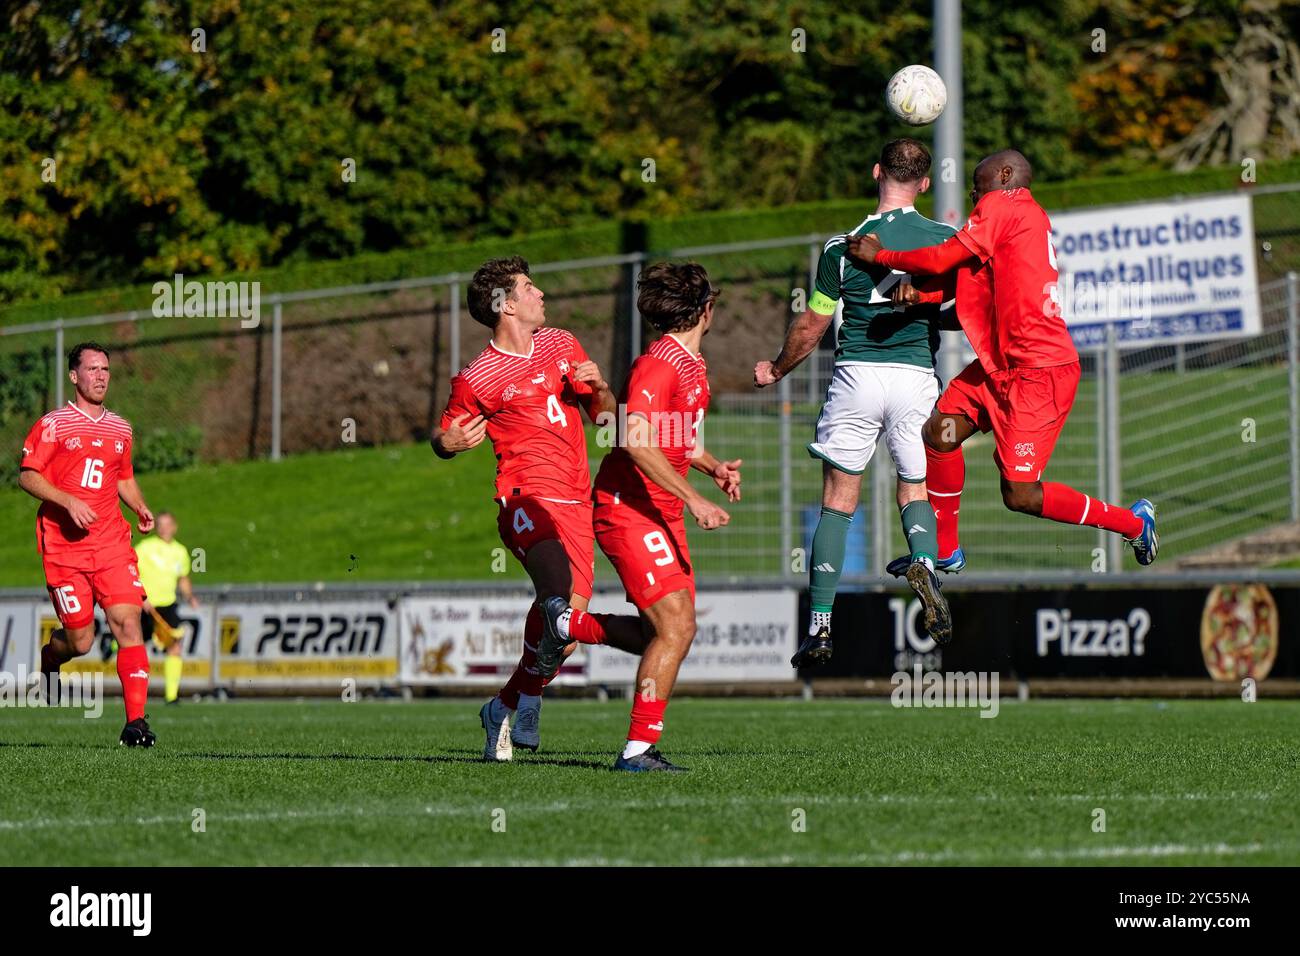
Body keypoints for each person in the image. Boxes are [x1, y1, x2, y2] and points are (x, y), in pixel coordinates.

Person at [846, 149, 1158, 571]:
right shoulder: (1019, 220)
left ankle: (1133, 523)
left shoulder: (1005, 204)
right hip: (1002, 367)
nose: (975, 195)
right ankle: (945, 550)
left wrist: (880, 256)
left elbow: (941, 259)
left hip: (1038, 373)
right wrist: (922, 296)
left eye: (978, 184)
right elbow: (973, 284)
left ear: (1006, 175)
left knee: (1020, 495)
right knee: (939, 433)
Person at [432, 256, 646, 761]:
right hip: (524, 498)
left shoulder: (563, 343)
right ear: (506, 305)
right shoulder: (477, 377)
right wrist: (448, 442)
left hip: (577, 502)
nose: (540, 294)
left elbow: (606, 422)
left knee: (564, 633)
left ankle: (506, 704)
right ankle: (545, 687)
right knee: (556, 602)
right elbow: (444, 433)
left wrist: (602, 389)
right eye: (529, 288)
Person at [755, 138, 955, 665]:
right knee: (914, 487)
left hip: (857, 376)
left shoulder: (842, 246)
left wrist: (776, 369)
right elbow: (961, 310)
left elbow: (813, 324)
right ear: (926, 184)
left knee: (839, 501)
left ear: (876, 172)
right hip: (915, 377)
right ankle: (926, 567)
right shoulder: (945, 240)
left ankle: (820, 627)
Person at [586, 262, 741, 772]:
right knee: (675, 627)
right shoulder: (660, 364)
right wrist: (695, 500)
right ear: (706, 310)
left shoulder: (692, 364)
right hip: (628, 510)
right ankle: (636, 751)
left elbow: (677, 436)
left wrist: (713, 466)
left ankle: (573, 626)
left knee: (676, 630)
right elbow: (633, 438)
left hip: (661, 510)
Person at [18, 342, 157, 746]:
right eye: (92, 369)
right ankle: (50, 658)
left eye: (106, 369)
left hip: (111, 542)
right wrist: (66, 500)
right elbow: (27, 475)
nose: (101, 376)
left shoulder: (121, 428)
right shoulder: (54, 424)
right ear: (74, 376)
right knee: (80, 642)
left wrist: (139, 506)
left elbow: (121, 477)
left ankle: (136, 724)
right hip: (64, 547)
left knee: (129, 623)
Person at [135, 511, 200, 705]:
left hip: (168, 605)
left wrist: (190, 597)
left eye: (167, 524)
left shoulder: (180, 551)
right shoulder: (145, 547)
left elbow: (183, 578)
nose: (164, 528)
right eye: (160, 524)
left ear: (174, 527)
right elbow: (131, 572)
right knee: (134, 641)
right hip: (146, 604)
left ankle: (171, 696)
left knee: (175, 645)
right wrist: (140, 596)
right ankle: (113, 645)